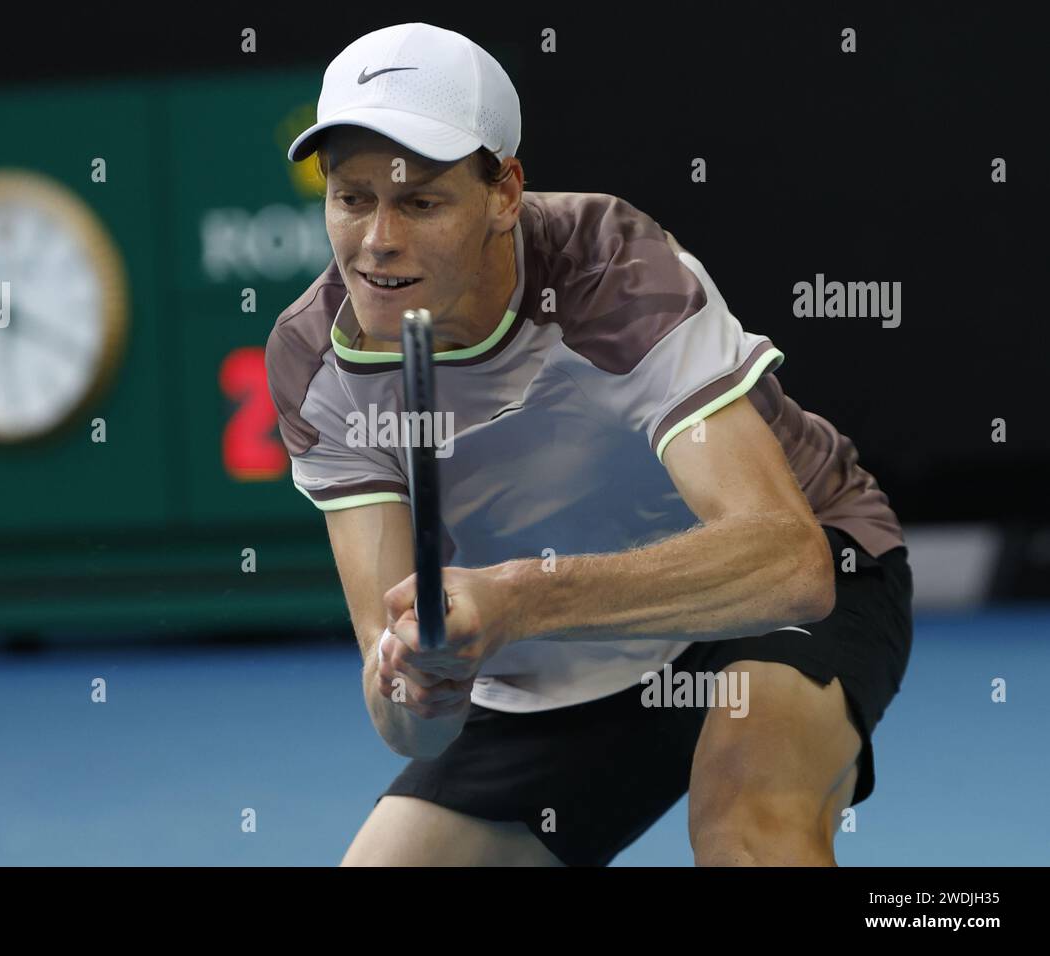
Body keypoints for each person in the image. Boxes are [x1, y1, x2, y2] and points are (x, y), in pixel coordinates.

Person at [267, 22, 912, 866]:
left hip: (787, 582)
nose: (378, 240)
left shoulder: (608, 267)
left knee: (747, 830)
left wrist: (518, 599)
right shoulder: (316, 362)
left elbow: (788, 565)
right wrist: (421, 679)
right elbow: (406, 729)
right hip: (555, 663)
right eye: (352, 198)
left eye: (420, 201)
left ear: (504, 193)